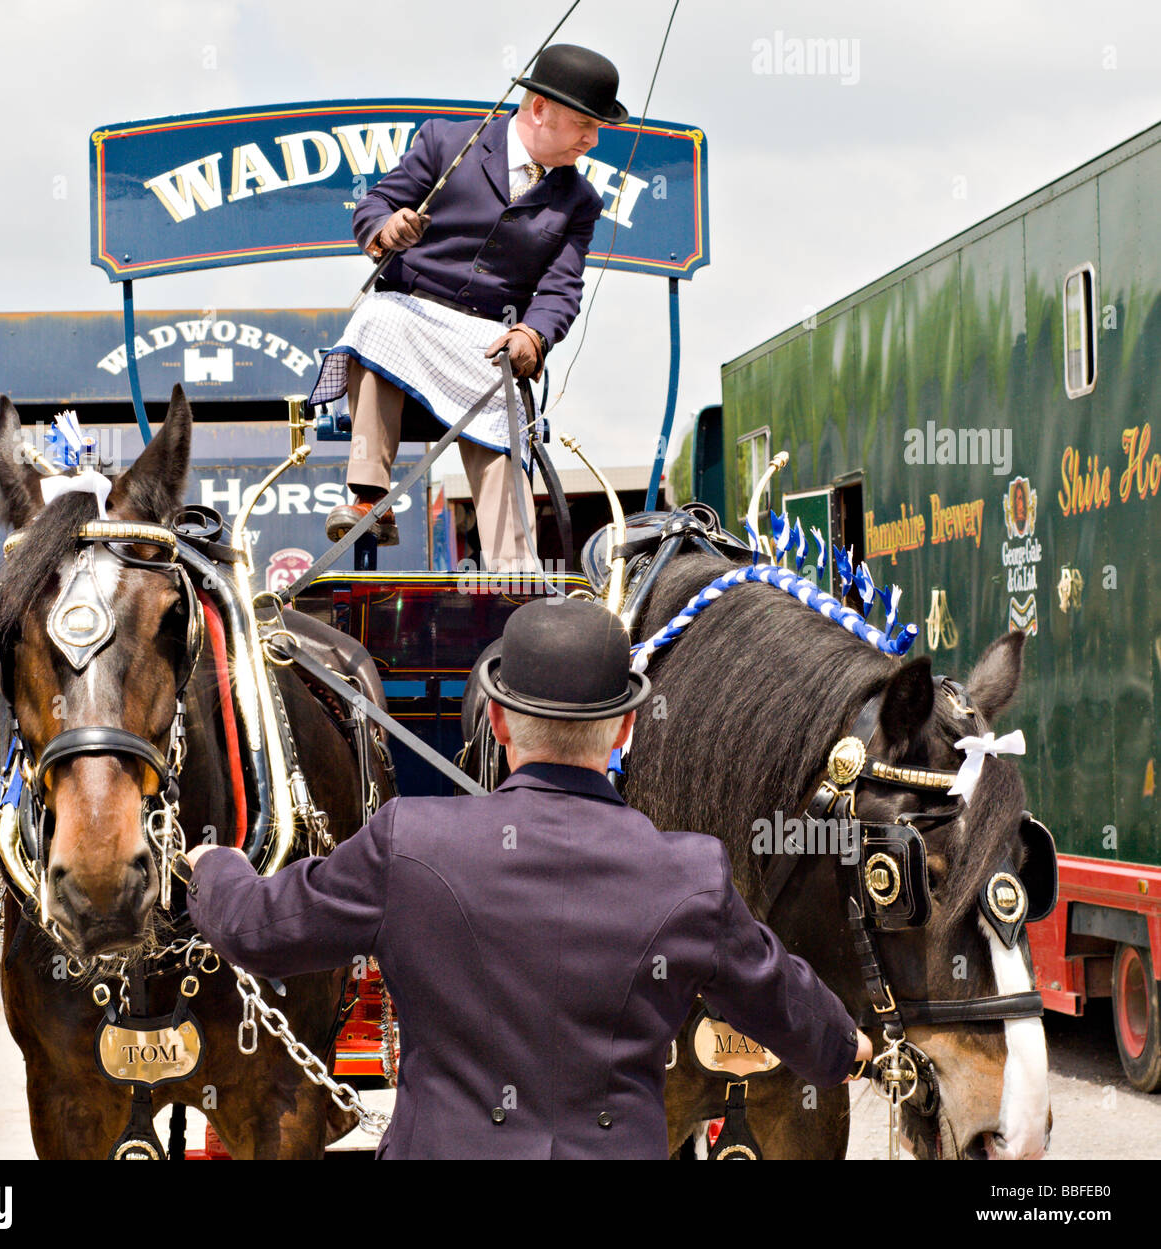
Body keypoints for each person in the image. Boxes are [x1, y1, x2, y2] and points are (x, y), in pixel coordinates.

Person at [185, 597, 872, 1159]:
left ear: (496, 718)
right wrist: (850, 1050)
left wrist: (214, 863)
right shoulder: (690, 875)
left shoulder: (410, 843)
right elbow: (787, 1005)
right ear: (627, 727)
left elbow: (255, 928)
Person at [310, 44, 627, 570]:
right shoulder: (445, 141)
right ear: (539, 108)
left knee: (503, 389)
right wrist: (387, 228)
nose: (592, 141)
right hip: (411, 316)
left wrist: (533, 337)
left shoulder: (580, 201)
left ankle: (513, 567)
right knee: (376, 316)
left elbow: (561, 287)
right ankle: (370, 501)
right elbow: (376, 205)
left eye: (598, 128)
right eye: (583, 125)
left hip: (489, 339)